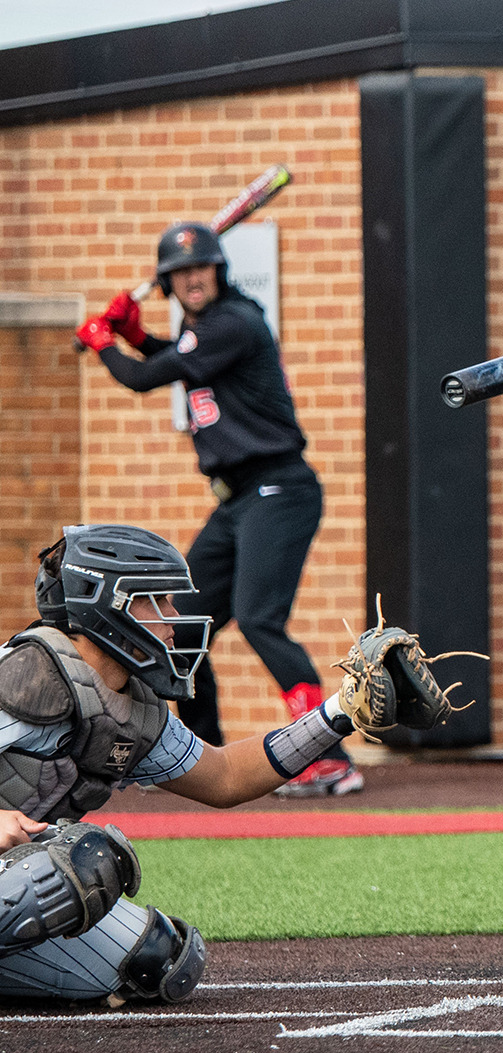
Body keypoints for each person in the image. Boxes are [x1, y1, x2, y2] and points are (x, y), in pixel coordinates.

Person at [0, 525, 436, 1003]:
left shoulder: (132, 707)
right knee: (74, 868)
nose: (173, 619)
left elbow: (226, 776)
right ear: (105, 601)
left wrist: (342, 711)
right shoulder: (28, 675)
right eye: (157, 601)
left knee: (160, 960)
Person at [75, 223, 358, 797]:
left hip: (280, 488)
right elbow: (173, 359)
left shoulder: (235, 321)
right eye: (180, 273)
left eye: (201, 267)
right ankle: (194, 758)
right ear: (169, 282)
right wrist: (136, 334)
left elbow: (145, 378)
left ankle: (326, 756)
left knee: (258, 617)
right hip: (236, 502)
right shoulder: (202, 332)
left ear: (219, 271)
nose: (192, 278)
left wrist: (106, 339)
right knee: (180, 631)